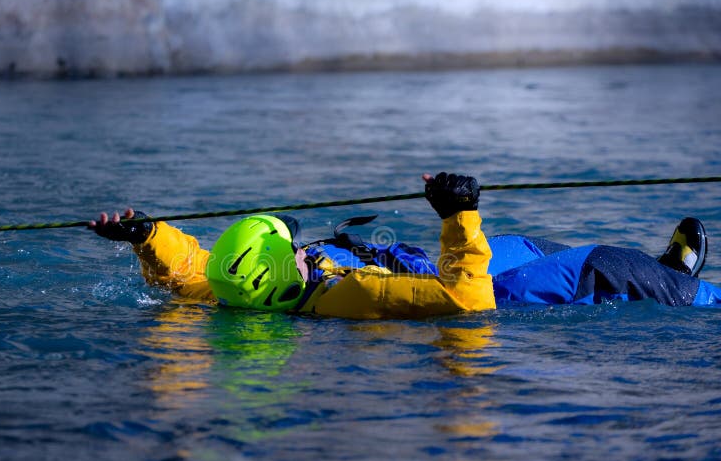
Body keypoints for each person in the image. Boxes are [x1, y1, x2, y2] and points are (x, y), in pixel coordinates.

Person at [90, 173, 721, 318]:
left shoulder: (240, 293)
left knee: (521, 242)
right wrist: (458, 216)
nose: (305, 246)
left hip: (428, 268)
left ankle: (661, 274)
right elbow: (464, 299)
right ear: (286, 270)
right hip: (484, 302)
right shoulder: (359, 291)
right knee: (595, 265)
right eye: (296, 246)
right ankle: (697, 292)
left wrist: (149, 238)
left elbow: (197, 273)